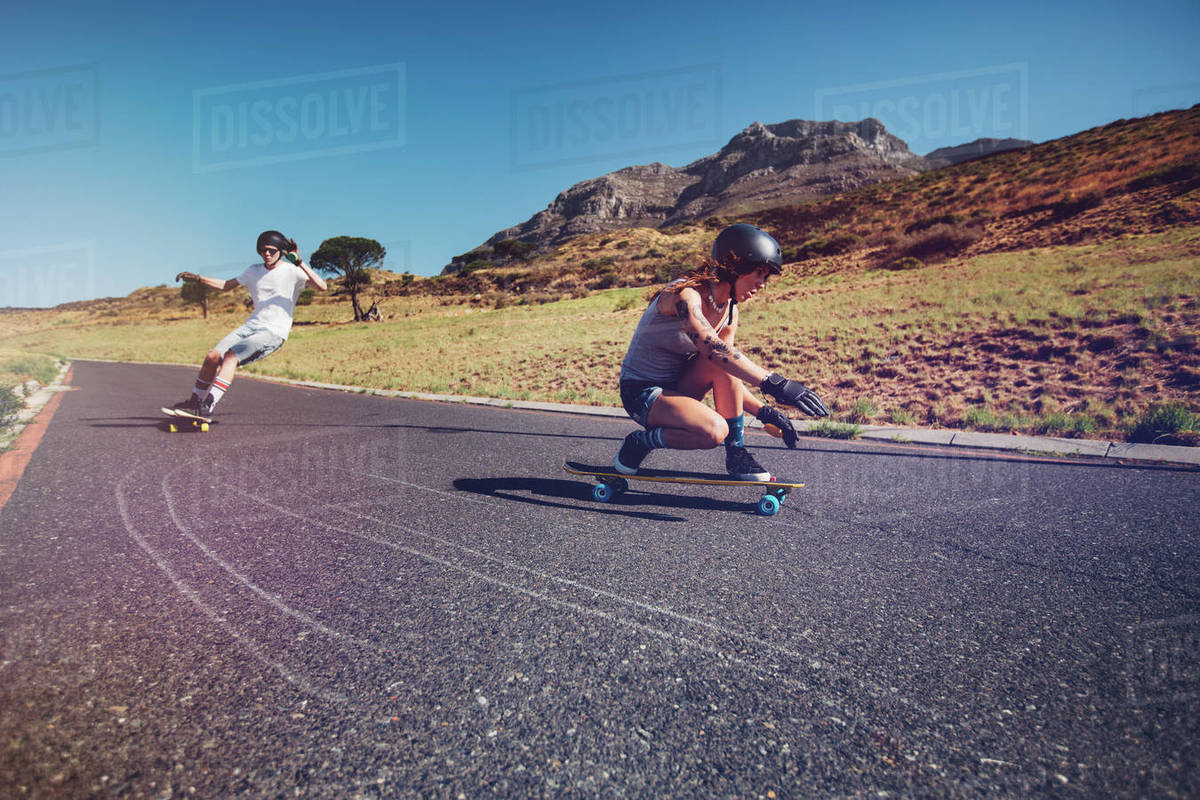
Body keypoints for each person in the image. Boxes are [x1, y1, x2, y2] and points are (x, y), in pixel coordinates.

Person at [615, 223, 830, 480]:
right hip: (640, 392)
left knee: (726, 357)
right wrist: (774, 382)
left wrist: (765, 412)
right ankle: (640, 442)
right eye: (758, 273)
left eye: (767, 277)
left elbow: (726, 367)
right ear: (735, 267)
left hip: (677, 390)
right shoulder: (686, 295)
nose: (762, 284)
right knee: (714, 430)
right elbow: (709, 345)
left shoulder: (729, 312)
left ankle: (736, 454)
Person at [171, 230, 327, 416]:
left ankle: (208, 406)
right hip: (251, 326)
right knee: (212, 356)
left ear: (280, 251)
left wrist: (299, 263)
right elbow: (226, 285)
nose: (266, 254)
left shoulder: (292, 272)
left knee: (231, 356)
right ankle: (194, 401)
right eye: (262, 251)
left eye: (270, 250)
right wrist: (198, 278)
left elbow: (322, 287)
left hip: (274, 332)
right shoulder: (253, 271)